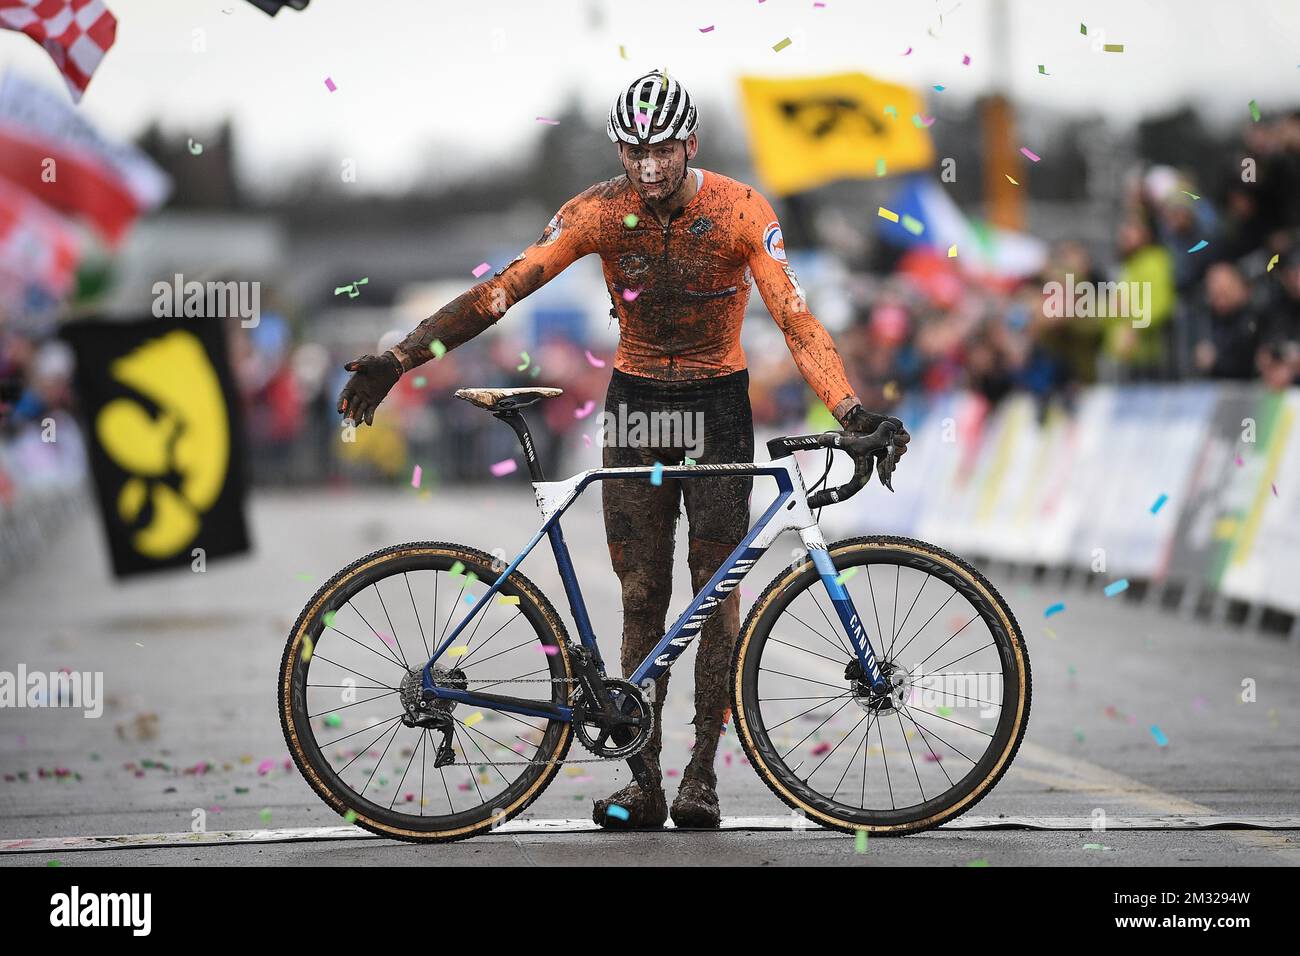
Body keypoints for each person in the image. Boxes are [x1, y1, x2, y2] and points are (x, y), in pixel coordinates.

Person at [336, 71, 910, 829]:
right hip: (637, 406)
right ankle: (643, 783)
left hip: (716, 406)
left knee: (717, 594)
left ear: (690, 144)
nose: (646, 165)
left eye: (662, 150)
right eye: (633, 149)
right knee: (642, 594)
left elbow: (796, 320)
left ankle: (701, 775)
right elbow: (504, 289)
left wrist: (847, 407)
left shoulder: (741, 210)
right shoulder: (597, 211)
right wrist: (403, 355)